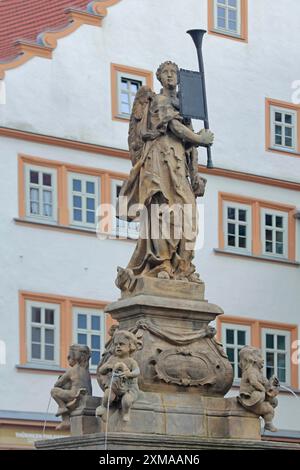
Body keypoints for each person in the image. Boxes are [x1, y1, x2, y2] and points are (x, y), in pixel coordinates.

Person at [116, 61, 214, 289]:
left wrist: (195, 175)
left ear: (179, 78)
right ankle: (163, 264)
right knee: (162, 213)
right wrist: (200, 137)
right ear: (159, 78)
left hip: (179, 163)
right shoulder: (158, 102)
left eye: (174, 73)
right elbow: (175, 128)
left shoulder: (185, 106)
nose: (170, 76)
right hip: (160, 161)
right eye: (165, 73)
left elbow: (190, 149)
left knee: (188, 214)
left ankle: (183, 266)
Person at [96, 330, 140, 422]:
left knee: (127, 400)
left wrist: (129, 374)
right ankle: (104, 407)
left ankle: (126, 412)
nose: (118, 346)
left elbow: (137, 371)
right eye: (116, 344)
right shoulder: (112, 359)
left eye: (121, 344)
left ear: (130, 346)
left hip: (128, 388)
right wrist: (107, 367)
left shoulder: (131, 361)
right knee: (108, 394)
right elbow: (101, 370)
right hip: (114, 387)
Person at [238, 346, 279, 432]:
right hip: (250, 399)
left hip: (257, 398)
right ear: (252, 359)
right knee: (269, 409)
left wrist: (272, 383)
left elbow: (266, 385)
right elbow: (253, 382)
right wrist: (263, 389)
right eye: (260, 356)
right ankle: (268, 424)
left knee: (273, 401)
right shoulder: (250, 371)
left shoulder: (259, 373)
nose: (263, 359)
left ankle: (267, 419)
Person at [51, 344, 92, 430]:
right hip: (86, 395)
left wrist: (65, 382)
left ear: (74, 358)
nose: (68, 360)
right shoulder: (86, 371)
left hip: (74, 394)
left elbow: (57, 384)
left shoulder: (71, 370)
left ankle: (64, 414)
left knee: (54, 391)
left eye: (69, 358)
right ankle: (65, 418)